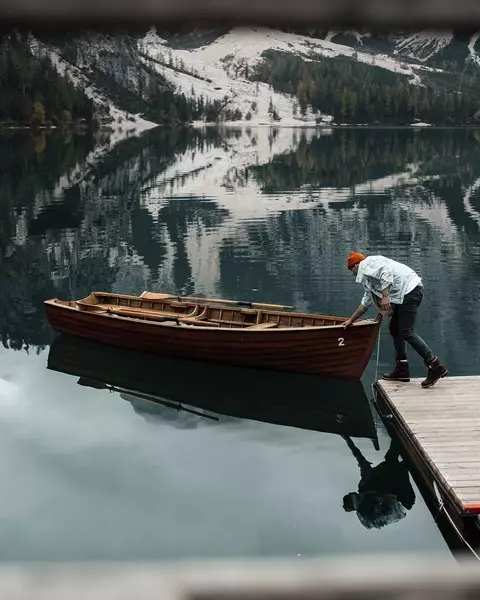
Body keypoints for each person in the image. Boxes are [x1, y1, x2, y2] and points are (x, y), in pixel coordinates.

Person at [343, 252, 448, 388]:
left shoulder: (368, 263)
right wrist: (351, 320)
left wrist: (385, 296)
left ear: (356, 265)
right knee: (395, 329)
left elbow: (386, 273)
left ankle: (436, 365)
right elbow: (366, 302)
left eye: (352, 270)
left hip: (410, 290)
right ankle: (402, 369)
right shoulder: (367, 278)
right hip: (403, 294)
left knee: (406, 332)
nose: (353, 274)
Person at [342, 435, 416, 530]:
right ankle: (408, 457)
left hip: (393, 488)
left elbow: (360, 458)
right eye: (358, 497)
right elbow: (390, 513)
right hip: (404, 501)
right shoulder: (367, 511)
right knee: (399, 465)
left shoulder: (364, 486)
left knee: (390, 458)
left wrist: (347, 439)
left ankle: (399, 437)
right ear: (356, 505)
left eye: (358, 494)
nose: (360, 495)